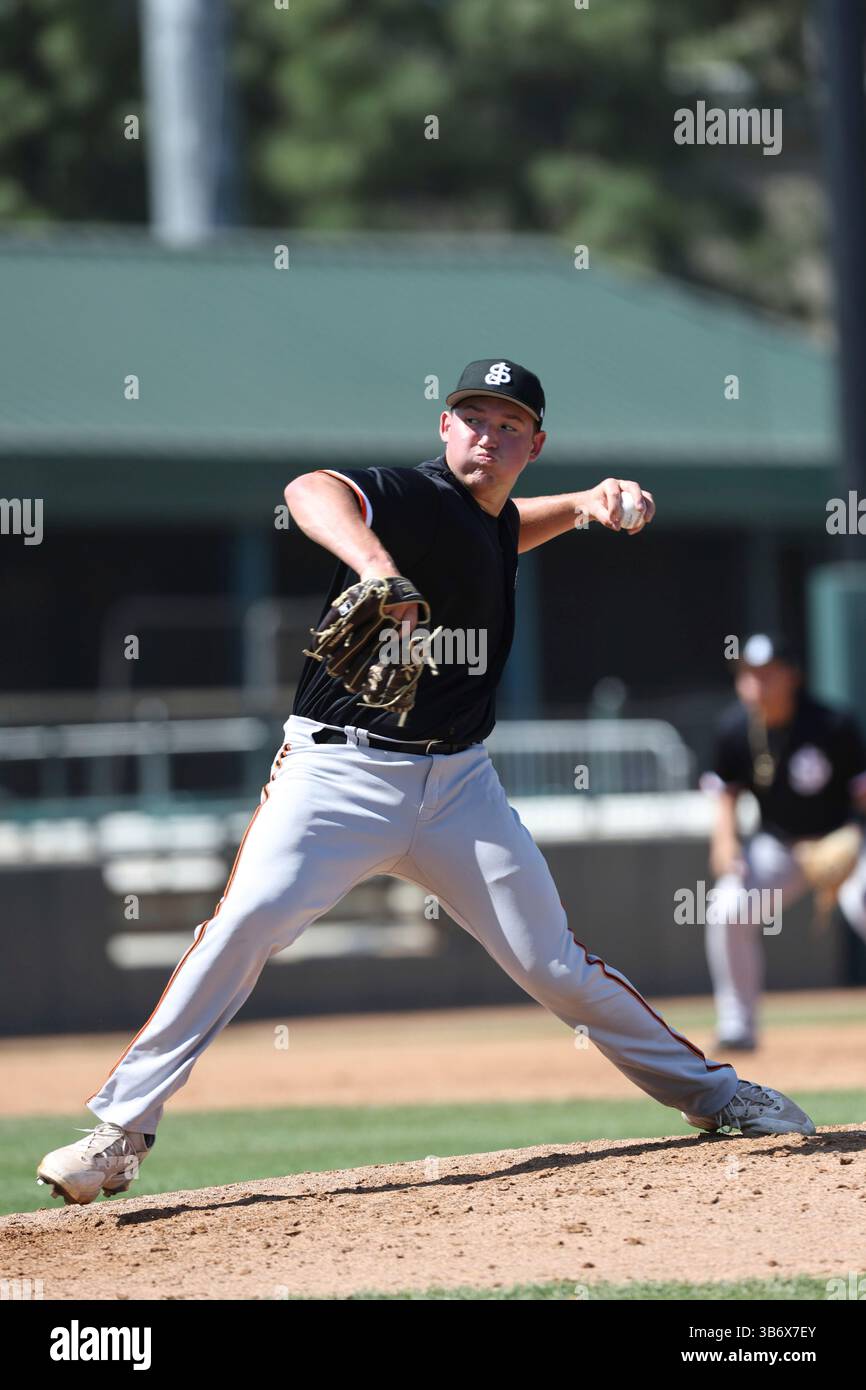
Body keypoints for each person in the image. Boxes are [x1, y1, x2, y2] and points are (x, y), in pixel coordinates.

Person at [37, 360, 815, 1206]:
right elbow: (308, 489)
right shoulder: (410, 497)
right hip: (339, 772)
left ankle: (716, 1095)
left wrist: (589, 503)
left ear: (535, 443)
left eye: (509, 423)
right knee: (247, 922)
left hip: (458, 787)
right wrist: (375, 567)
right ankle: (120, 1133)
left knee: (552, 964)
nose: (488, 434)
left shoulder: (490, 520)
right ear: (444, 429)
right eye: (472, 417)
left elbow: (509, 528)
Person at [702, 631, 866, 1051]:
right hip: (780, 848)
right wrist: (725, 842)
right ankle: (738, 1024)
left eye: (766, 674)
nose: (755, 684)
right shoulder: (735, 729)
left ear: (791, 676)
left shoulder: (832, 724)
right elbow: (726, 794)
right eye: (747, 675)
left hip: (843, 844)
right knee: (727, 908)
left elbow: (860, 792)